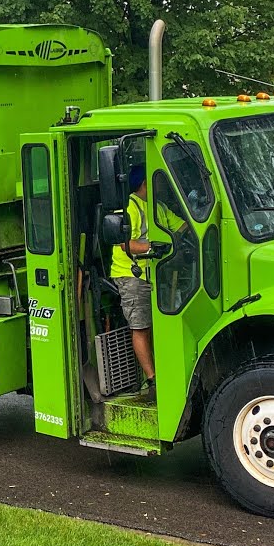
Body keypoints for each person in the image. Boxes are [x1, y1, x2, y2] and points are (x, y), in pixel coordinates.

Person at [108, 165, 160, 401]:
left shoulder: (156, 205)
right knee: (141, 327)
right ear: (143, 184)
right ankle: (152, 380)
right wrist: (154, 247)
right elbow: (124, 243)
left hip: (153, 274)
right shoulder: (130, 206)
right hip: (131, 275)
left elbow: (180, 226)